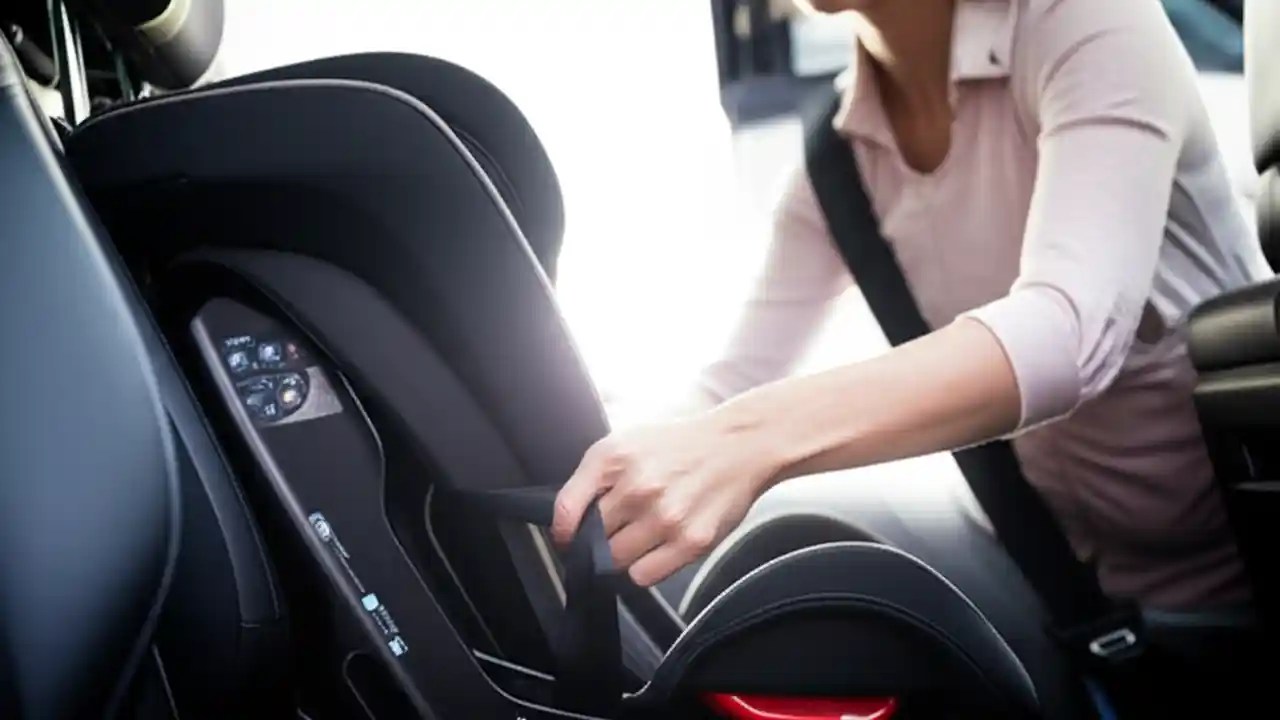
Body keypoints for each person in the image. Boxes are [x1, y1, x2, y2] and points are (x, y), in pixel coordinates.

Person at [552, 0, 1271, 618]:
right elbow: (721, 389)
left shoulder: (1086, 22)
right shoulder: (838, 163)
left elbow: (1071, 330)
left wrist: (746, 440)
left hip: (1242, 574)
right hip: (1070, 589)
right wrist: (568, 466)